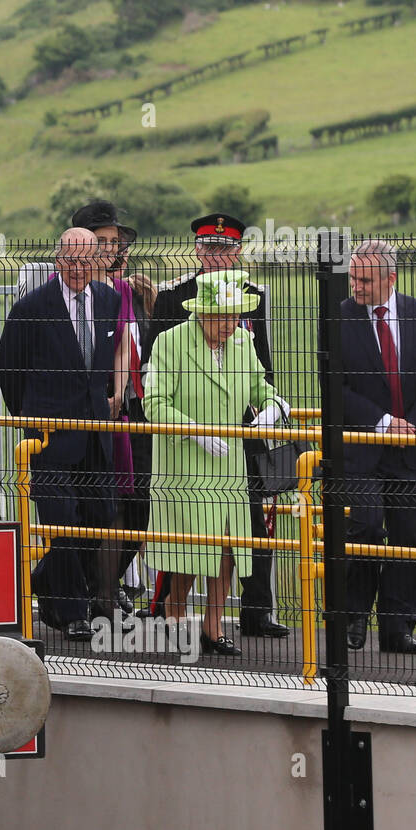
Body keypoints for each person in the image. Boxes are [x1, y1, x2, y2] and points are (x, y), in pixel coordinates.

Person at [142, 212, 289, 640]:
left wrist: (271, 407)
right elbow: (154, 371)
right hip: (188, 439)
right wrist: (194, 427)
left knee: (246, 527)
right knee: (189, 537)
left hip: (241, 432)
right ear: (197, 251)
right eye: (209, 248)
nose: (216, 256)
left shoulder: (253, 298)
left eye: (225, 249)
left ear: (238, 251)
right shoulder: (174, 300)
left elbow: (261, 369)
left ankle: (255, 611)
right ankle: (172, 611)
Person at [0, 228, 119, 639]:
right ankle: (72, 612)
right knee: (62, 522)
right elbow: (9, 371)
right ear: (57, 260)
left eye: (87, 261)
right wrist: (33, 418)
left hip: (95, 433)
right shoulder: (31, 307)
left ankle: (45, 579)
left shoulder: (109, 300)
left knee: (101, 519)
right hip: (49, 436)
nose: (79, 269)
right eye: (71, 261)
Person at [341, 240, 416, 655]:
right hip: (363, 449)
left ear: (391, 278)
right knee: (366, 527)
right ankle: (353, 615)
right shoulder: (340, 315)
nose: (356, 285)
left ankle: (398, 629)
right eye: (352, 275)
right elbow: (335, 382)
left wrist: (413, 427)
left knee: (407, 539)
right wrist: (384, 422)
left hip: (410, 452)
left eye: (365, 279)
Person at [73, 199, 157, 612]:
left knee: (139, 506)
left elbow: (139, 346)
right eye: (104, 241)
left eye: (117, 241)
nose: (114, 249)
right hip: (97, 408)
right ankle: (96, 590)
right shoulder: (78, 295)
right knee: (103, 507)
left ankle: (111, 581)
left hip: (134, 410)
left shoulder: (129, 291)